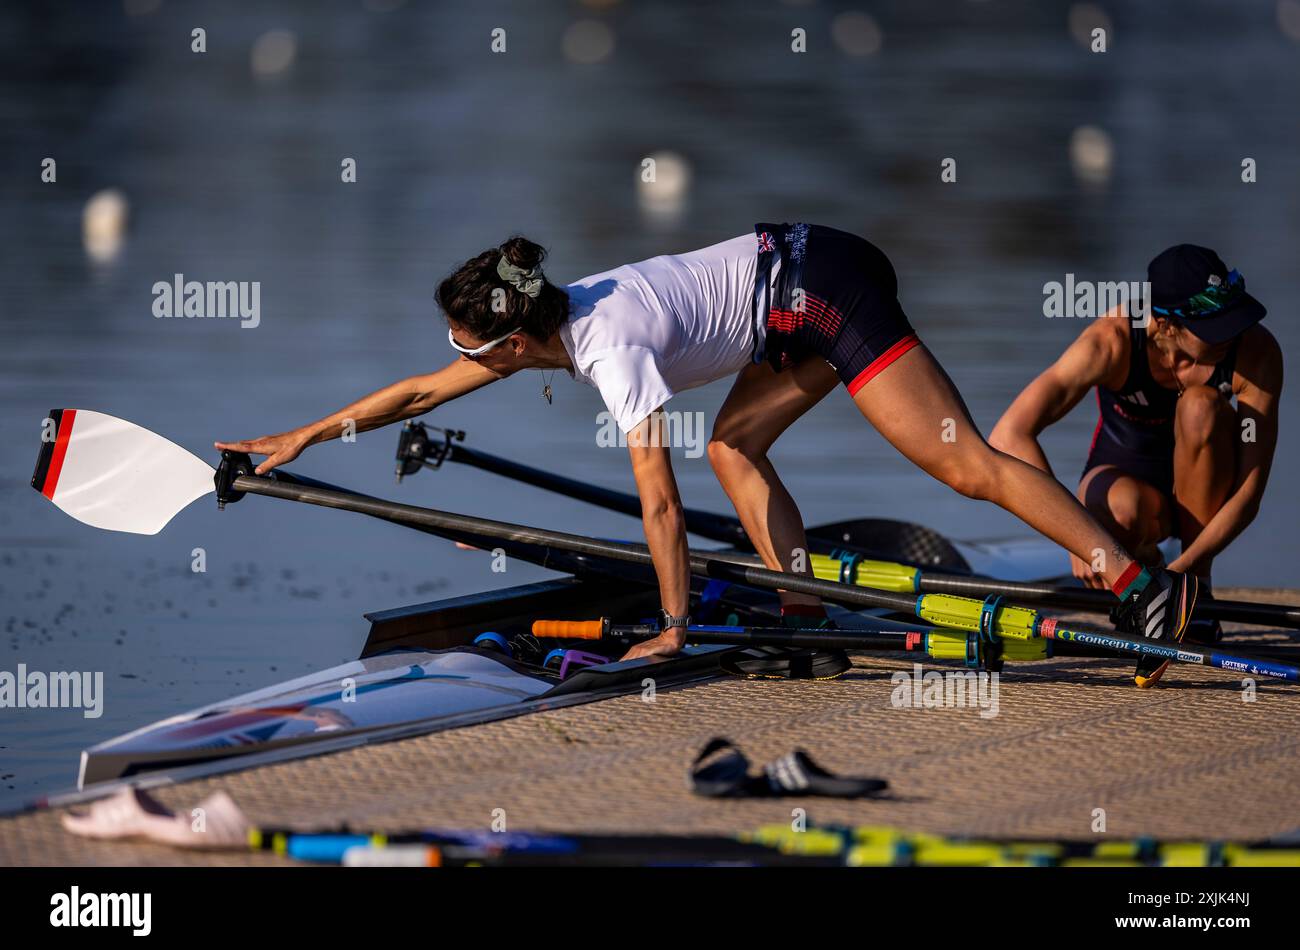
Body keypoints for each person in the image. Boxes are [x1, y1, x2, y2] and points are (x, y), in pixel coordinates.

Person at [217, 224, 1198, 681]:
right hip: (786, 297)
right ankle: (806, 600)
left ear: (514, 345)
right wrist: (303, 433)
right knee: (736, 443)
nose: (460, 364)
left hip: (827, 289)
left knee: (961, 464)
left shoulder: (611, 346)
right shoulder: (559, 318)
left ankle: (1130, 575)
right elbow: (420, 391)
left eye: (472, 349)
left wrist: (674, 625)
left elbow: (657, 502)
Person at [991, 245, 1280, 667]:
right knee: (1119, 510)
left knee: (1200, 406)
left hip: (1204, 478)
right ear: (1165, 324)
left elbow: (1251, 492)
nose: (1232, 333)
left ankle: (1193, 588)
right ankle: (1142, 578)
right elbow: (1010, 434)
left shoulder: (1256, 353)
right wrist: (1073, 533)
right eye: (1215, 326)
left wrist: (1180, 575)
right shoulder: (1111, 340)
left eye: (1232, 319)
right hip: (1126, 477)